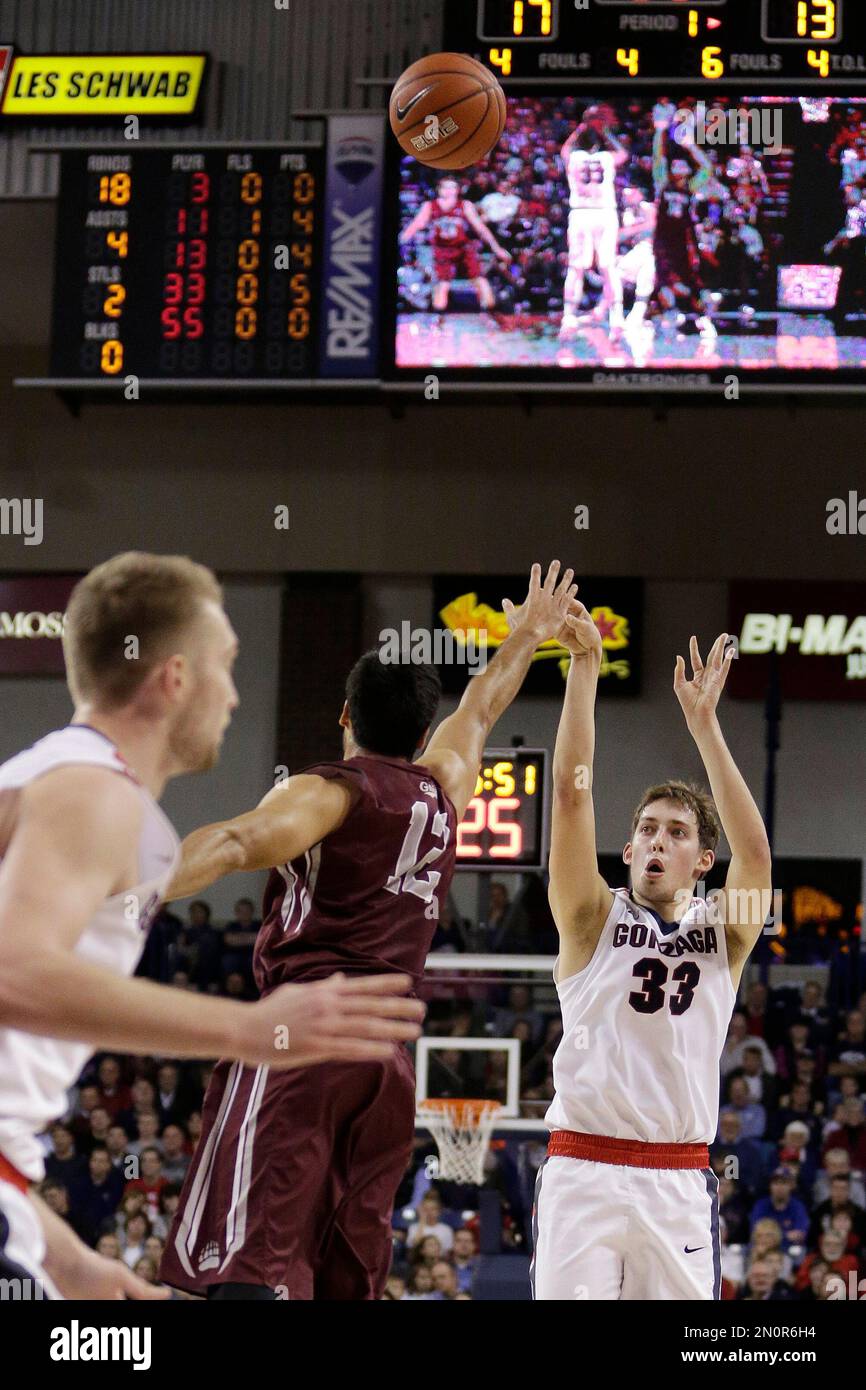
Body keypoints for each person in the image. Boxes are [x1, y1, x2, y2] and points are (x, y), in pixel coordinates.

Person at [0, 552, 425, 1301]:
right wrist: (249, 1029)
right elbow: (15, 976)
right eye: (225, 664)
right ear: (174, 679)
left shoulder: (74, 784)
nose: (234, 694)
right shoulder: (93, 793)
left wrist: (64, 1259)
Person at [159, 561, 580, 1300]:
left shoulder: (327, 791)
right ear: (422, 731)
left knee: (249, 1258)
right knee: (343, 1272)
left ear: (346, 716)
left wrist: (133, 887)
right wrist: (529, 637)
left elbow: (232, 842)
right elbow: (481, 707)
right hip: (386, 1060)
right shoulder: (445, 784)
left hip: (304, 1033)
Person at [533, 615, 772, 1300]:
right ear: (629, 851)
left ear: (701, 861)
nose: (657, 842)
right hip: (585, 1168)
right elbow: (572, 793)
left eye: (676, 833)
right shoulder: (590, 917)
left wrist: (705, 726)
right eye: (646, 831)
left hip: (677, 1178)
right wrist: (585, 667)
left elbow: (754, 856)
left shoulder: (725, 933)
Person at [559, 111, 628, 337]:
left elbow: (564, 150)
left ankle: (569, 315)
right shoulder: (607, 158)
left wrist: (580, 128)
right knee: (608, 267)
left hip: (581, 213)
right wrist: (605, 132)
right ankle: (617, 317)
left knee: (576, 268)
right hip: (605, 213)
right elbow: (623, 154)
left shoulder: (575, 157)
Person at [399, 176, 512, 313]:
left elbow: (481, 228)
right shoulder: (430, 206)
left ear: (457, 190)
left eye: (452, 187)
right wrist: (402, 239)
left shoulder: (465, 205)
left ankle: (491, 313)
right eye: (445, 187)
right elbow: (416, 225)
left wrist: (497, 248)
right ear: (439, 190)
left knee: (479, 279)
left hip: (463, 248)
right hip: (442, 250)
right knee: (442, 284)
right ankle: (438, 318)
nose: (448, 191)